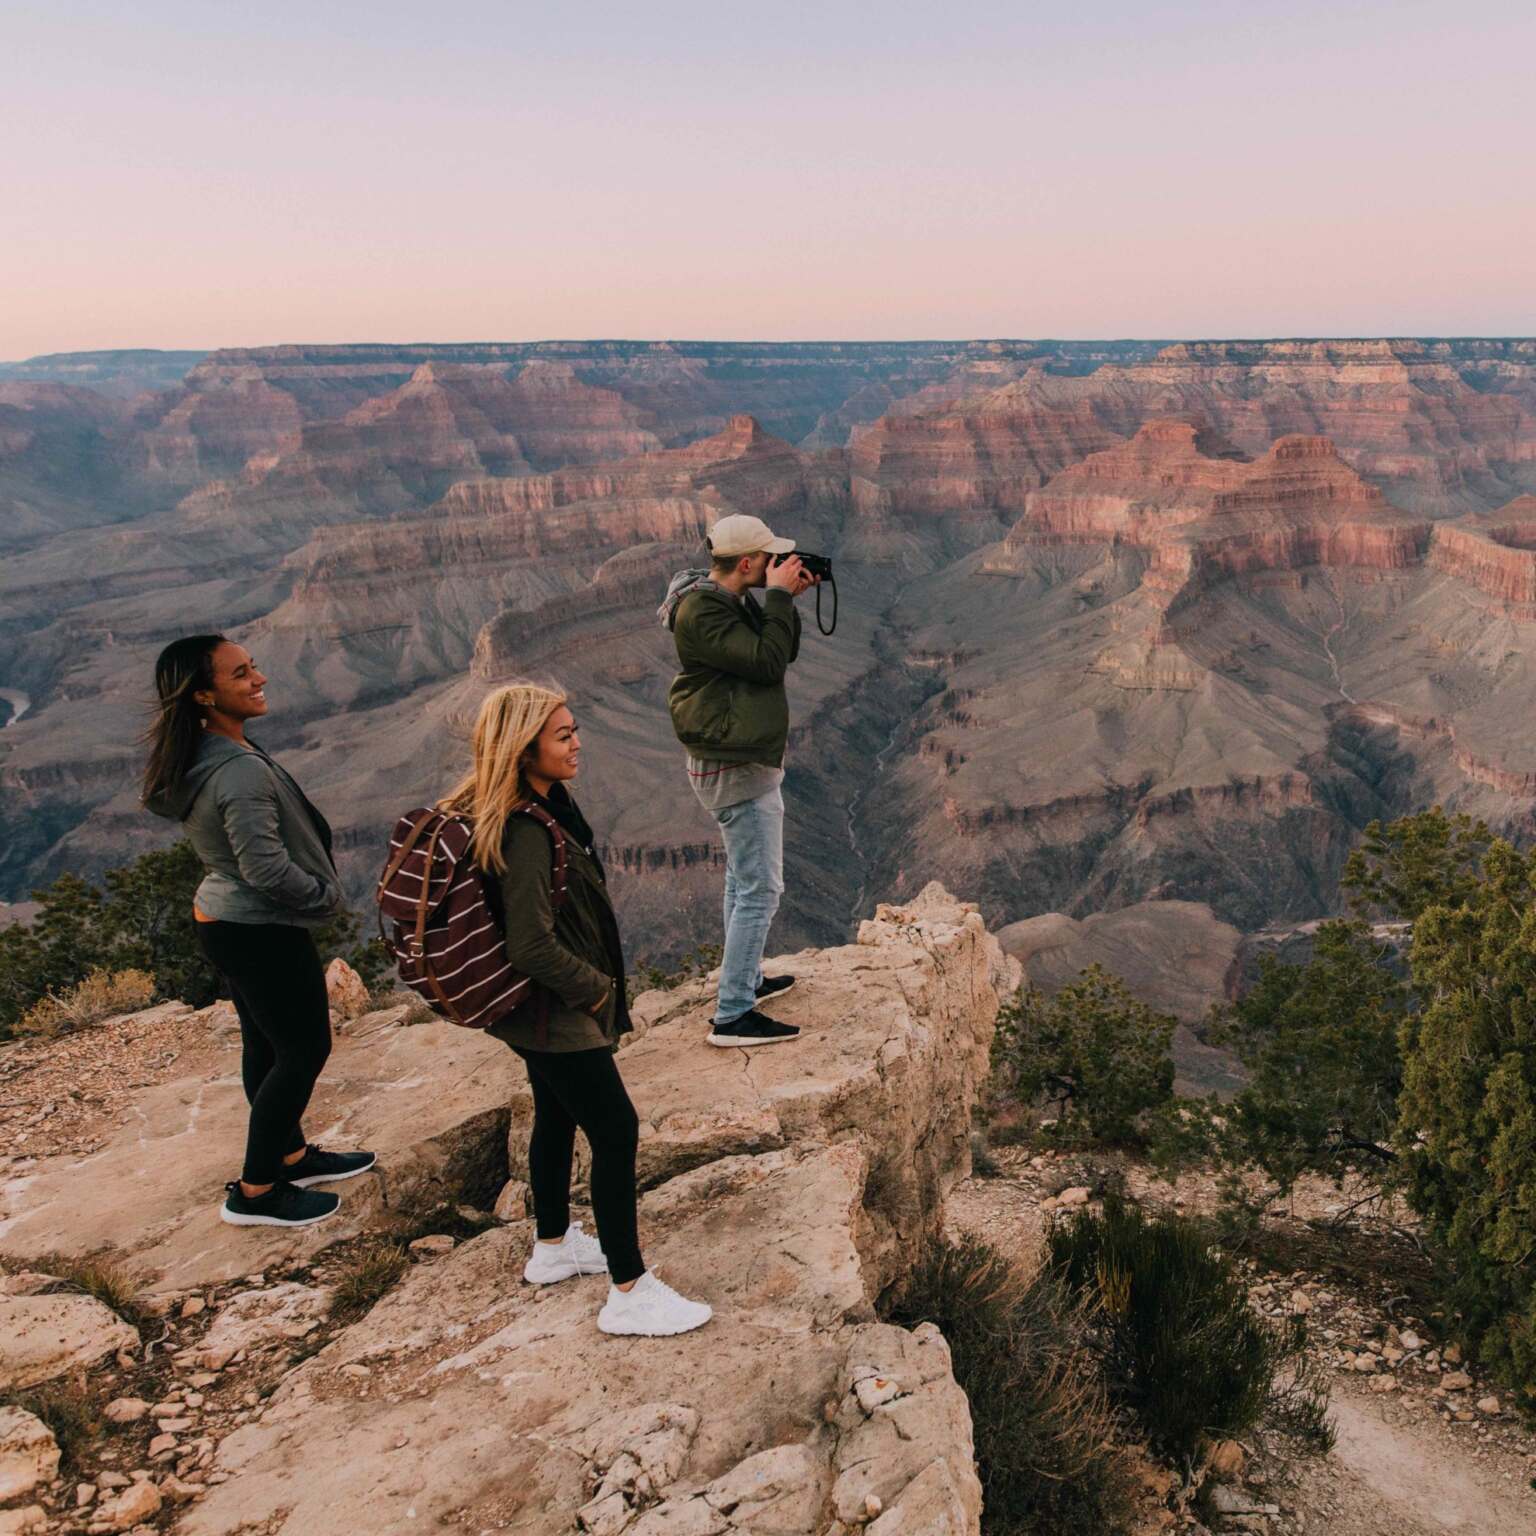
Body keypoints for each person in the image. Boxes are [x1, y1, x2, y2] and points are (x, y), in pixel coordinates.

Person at [439, 681, 712, 1337]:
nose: (578, 742)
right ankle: (629, 1290)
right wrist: (597, 991)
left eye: (574, 728)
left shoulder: (531, 805)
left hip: (528, 1012)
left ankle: (554, 1248)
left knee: (556, 1116)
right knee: (615, 1131)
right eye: (562, 735)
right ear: (522, 748)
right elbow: (531, 944)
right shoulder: (526, 831)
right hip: (552, 1009)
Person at [143, 635, 376, 1228]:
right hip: (257, 927)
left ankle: (290, 1156)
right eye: (241, 674)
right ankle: (256, 1190)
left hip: (229, 921)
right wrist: (323, 897)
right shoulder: (237, 771)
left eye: (254, 667)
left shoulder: (207, 752)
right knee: (304, 1049)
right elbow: (264, 867)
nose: (259, 678)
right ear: (203, 695)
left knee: (266, 1045)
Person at [660, 513, 818, 1048]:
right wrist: (777, 596)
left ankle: (745, 980)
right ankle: (732, 1014)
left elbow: (782, 651)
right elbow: (766, 662)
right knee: (761, 889)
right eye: (769, 558)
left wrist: (783, 599)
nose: (776, 564)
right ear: (748, 563)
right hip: (733, 769)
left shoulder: (729, 599)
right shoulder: (703, 610)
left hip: (740, 760)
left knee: (741, 879)